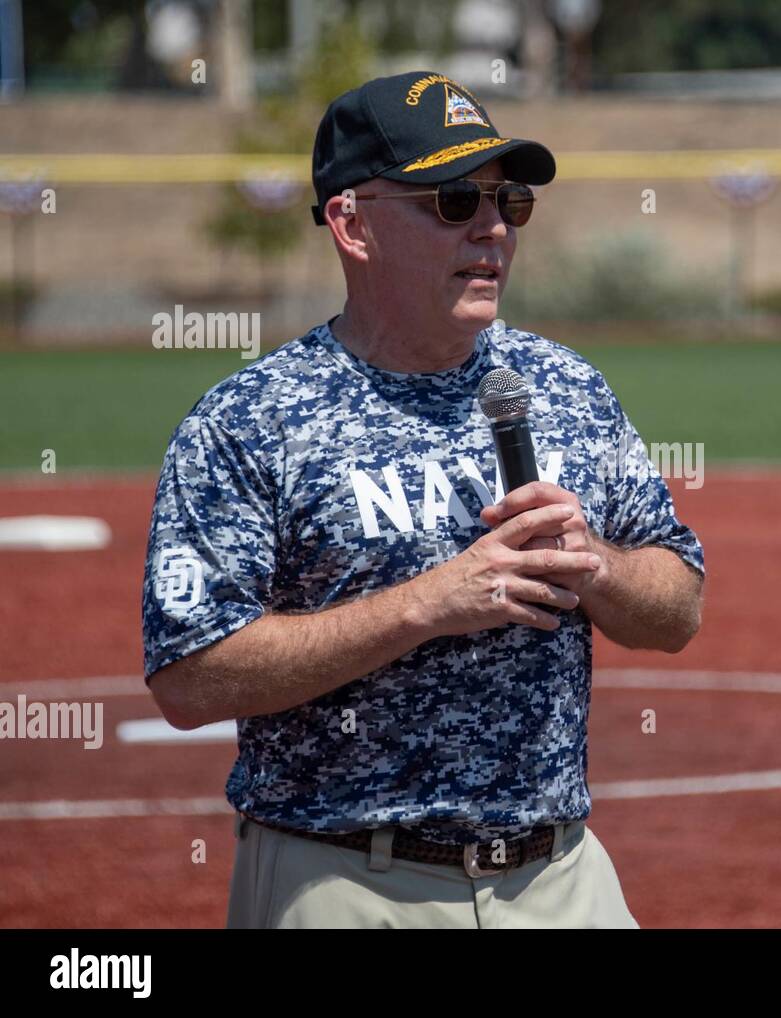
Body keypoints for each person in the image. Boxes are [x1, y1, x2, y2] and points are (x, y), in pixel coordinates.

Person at [141, 71, 705, 929]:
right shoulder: (250, 422)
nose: (490, 229)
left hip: (559, 881)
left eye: (508, 202)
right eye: (451, 201)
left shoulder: (564, 388)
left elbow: (680, 608)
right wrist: (428, 605)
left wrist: (595, 564)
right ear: (352, 223)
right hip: (344, 883)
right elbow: (188, 678)